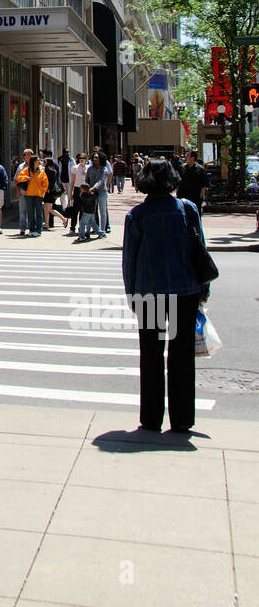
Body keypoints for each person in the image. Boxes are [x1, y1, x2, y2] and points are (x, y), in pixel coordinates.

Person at [122, 157, 211, 433]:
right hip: (185, 289)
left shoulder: (136, 216)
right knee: (182, 356)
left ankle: (151, 418)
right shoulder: (188, 209)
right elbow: (201, 250)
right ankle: (182, 419)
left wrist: (132, 295)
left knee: (150, 355)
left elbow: (129, 261)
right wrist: (203, 290)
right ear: (173, 178)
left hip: (149, 292)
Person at [86, 149, 112, 233]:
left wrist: (93, 188)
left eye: (96, 158)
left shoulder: (104, 169)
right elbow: (86, 180)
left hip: (101, 192)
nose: (94, 159)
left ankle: (103, 230)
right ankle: (93, 229)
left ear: (101, 159)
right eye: (93, 158)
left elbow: (101, 181)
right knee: (92, 212)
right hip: (92, 193)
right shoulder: (90, 169)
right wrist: (85, 187)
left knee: (103, 211)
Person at [23, 155, 49, 236]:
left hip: (38, 194)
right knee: (30, 213)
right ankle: (32, 230)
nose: (39, 162)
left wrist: (43, 192)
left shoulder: (41, 171)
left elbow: (46, 182)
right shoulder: (27, 170)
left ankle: (38, 230)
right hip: (29, 194)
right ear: (34, 161)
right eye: (38, 160)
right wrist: (25, 178)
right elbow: (19, 178)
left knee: (39, 213)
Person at [43, 152, 69, 229]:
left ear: (47, 163)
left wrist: (48, 189)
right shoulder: (52, 170)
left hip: (50, 192)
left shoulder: (48, 170)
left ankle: (64, 219)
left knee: (49, 209)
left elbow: (51, 182)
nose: (43, 163)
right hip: (50, 191)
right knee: (45, 207)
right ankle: (47, 224)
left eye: (44, 161)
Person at [13, 148, 34, 236]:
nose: (24, 156)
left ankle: (32, 228)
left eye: (26, 154)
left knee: (32, 211)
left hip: (33, 192)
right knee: (22, 211)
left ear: (31, 155)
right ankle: (22, 228)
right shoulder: (21, 166)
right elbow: (16, 180)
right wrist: (17, 191)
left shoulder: (36, 165)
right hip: (23, 191)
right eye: (24, 155)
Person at [66, 152, 88, 234]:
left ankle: (81, 227)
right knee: (75, 210)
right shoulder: (75, 168)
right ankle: (72, 228)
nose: (81, 161)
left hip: (85, 190)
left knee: (83, 210)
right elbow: (72, 181)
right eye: (80, 159)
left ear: (86, 160)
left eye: (83, 159)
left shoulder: (88, 168)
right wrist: (70, 193)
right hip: (77, 189)